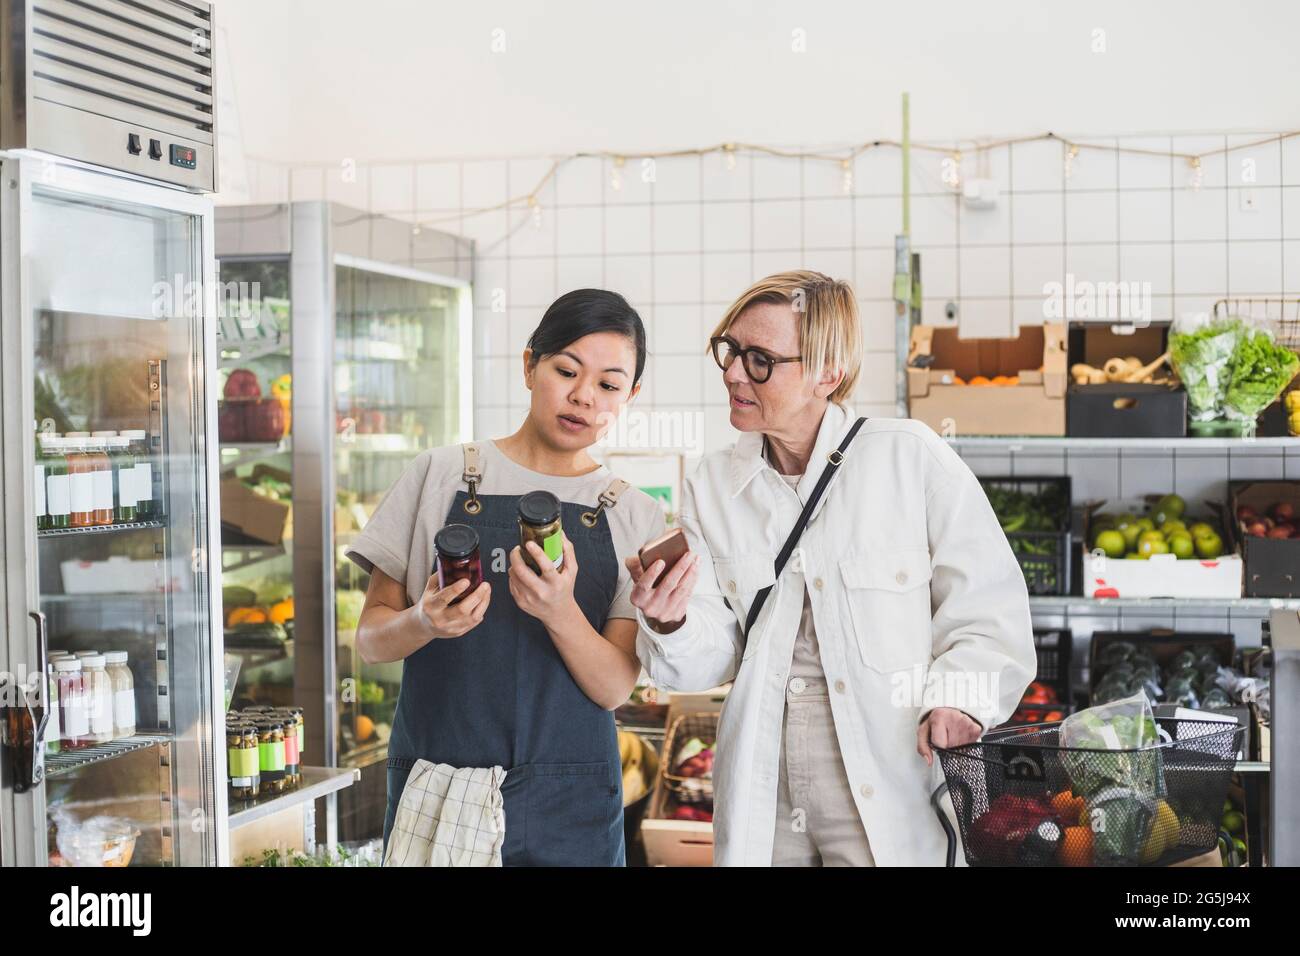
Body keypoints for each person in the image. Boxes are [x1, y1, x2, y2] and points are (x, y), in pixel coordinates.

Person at [627, 271, 1036, 866]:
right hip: (765, 786)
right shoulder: (712, 485)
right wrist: (669, 624)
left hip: (890, 773)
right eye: (731, 350)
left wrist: (959, 699)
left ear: (829, 373)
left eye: (761, 360)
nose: (734, 373)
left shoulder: (908, 458)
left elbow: (988, 610)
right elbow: (715, 655)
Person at [346, 289, 665, 866]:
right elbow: (369, 639)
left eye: (609, 385)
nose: (583, 397)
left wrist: (559, 611)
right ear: (529, 365)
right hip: (442, 796)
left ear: (631, 396)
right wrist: (424, 621)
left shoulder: (633, 513)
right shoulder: (440, 476)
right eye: (566, 370)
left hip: (572, 809)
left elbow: (616, 685)